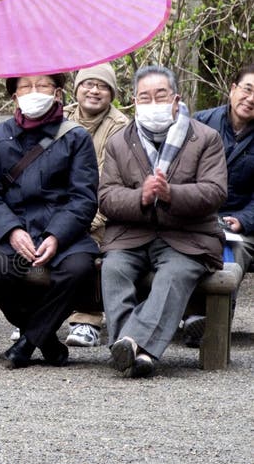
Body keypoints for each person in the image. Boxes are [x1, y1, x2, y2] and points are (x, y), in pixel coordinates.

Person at [99, 64, 227, 377]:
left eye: (161, 96)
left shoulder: (205, 138)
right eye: (145, 98)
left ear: (176, 99)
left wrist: (171, 194)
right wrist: (141, 197)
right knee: (114, 269)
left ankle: (129, 344)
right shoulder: (119, 142)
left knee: (173, 275)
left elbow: (215, 191)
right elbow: (106, 197)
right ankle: (139, 354)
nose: (153, 103)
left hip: (188, 236)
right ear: (134, 101)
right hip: (132, 233)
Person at [0, 72, 99, 369]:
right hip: (13, 228)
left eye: (42, 86)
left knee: (79, 269)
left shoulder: (76, 137)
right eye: (26, 87)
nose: (34, 92)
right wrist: (12, 230)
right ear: (14, 96)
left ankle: (28, 341)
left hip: (63, 231)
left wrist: (56, 235)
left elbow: (83, 197)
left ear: (57, 93)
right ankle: (46, 341)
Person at [63, 63, 129, 348]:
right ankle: (34, 317)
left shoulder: (121, 127)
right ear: (76, 88)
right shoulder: (59, 117)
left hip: (101, 216)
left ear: (112, 93)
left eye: (102, 86)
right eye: (88, 84)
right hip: (59, 211)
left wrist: (83, 221)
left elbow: (111, 181)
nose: (94, 90)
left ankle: (87, 318)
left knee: (91, 249)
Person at [194, 62, 254, 278]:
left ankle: (223, 301)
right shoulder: (200, 122)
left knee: (233, 256)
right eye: (247, 89)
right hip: (197, 217)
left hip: (239, 224)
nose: (251, 99)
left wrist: (243, 220)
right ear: (233, 89)